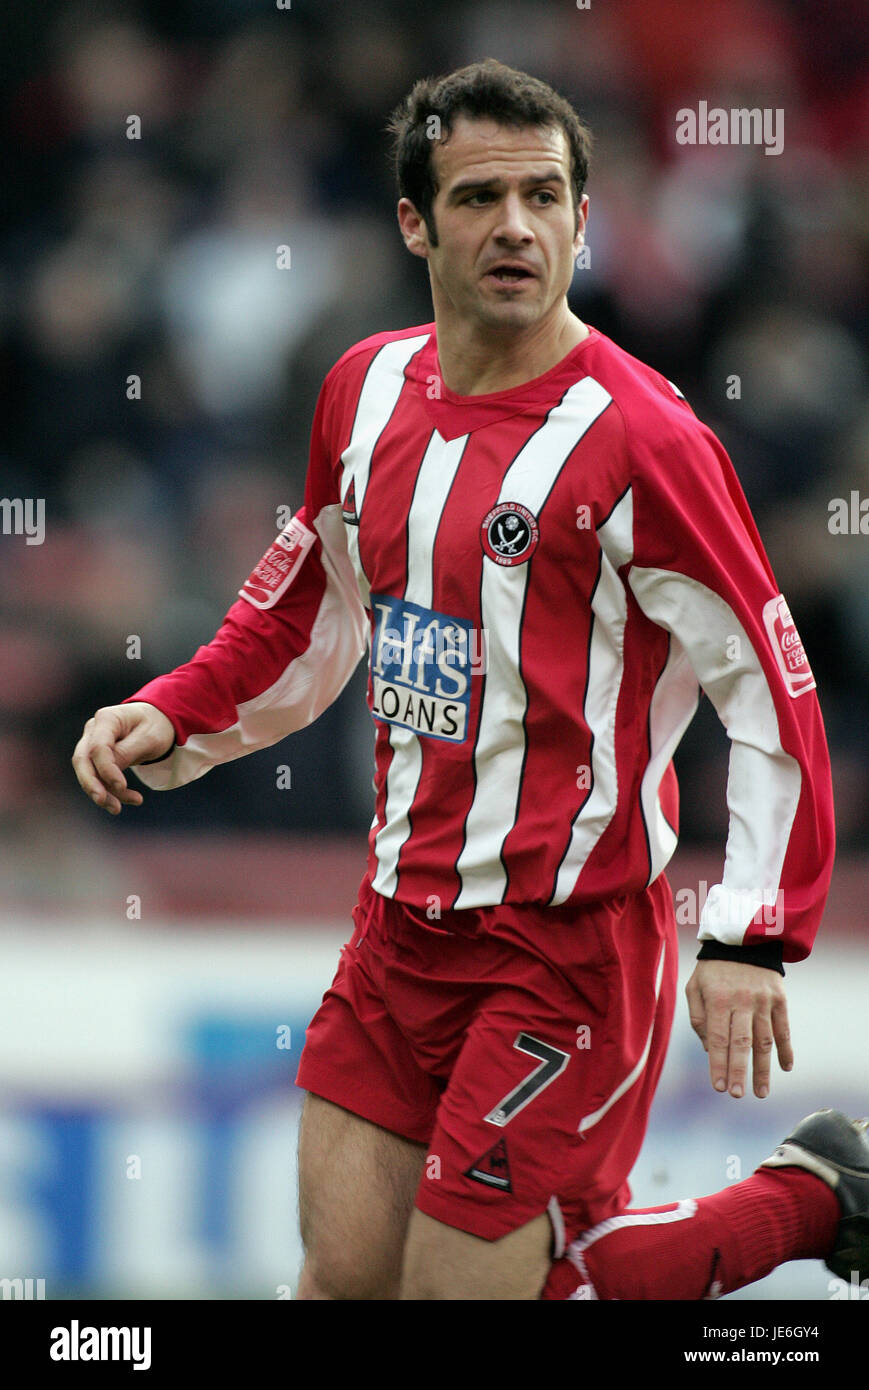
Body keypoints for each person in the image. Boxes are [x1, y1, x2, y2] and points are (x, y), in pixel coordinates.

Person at [72, 59, 866, 1302]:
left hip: (566, 949)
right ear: (413, 222)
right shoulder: (364, 388)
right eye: (480, 196)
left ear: (580, 217)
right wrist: (171, 706)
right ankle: (822, 1188)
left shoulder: (642, 438)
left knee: (461, 1298)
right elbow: (304, 606)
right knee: (342, 1284)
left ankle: (800, 1203)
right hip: (397, 924)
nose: (516, 225)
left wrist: (750, 934)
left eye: (545, 195)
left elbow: (766, 687)